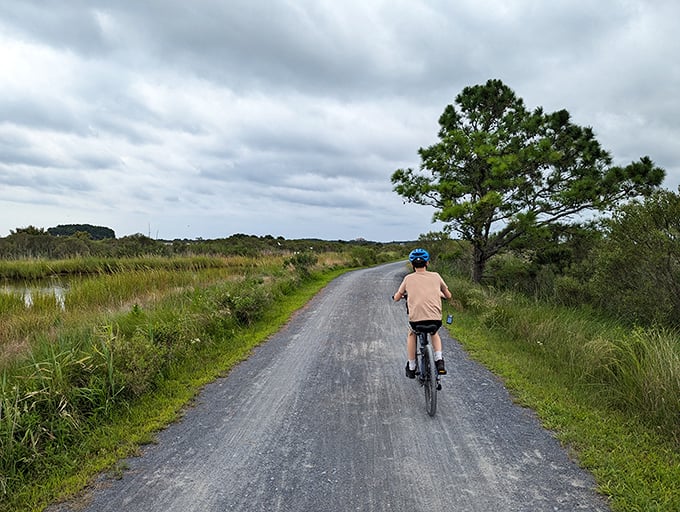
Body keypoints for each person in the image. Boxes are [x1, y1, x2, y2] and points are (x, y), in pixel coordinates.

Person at [393, 248, 452, 379]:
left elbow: (397, 297)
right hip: (435, 320)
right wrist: (440, 294)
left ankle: (412, 366)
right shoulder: (436, 276)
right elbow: (448, 295)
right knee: (434, 333)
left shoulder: (408, 279)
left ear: (412, 264)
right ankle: (439, 360)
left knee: (412, 334)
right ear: (427, 263)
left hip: (416, 321)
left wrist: (397, 296)